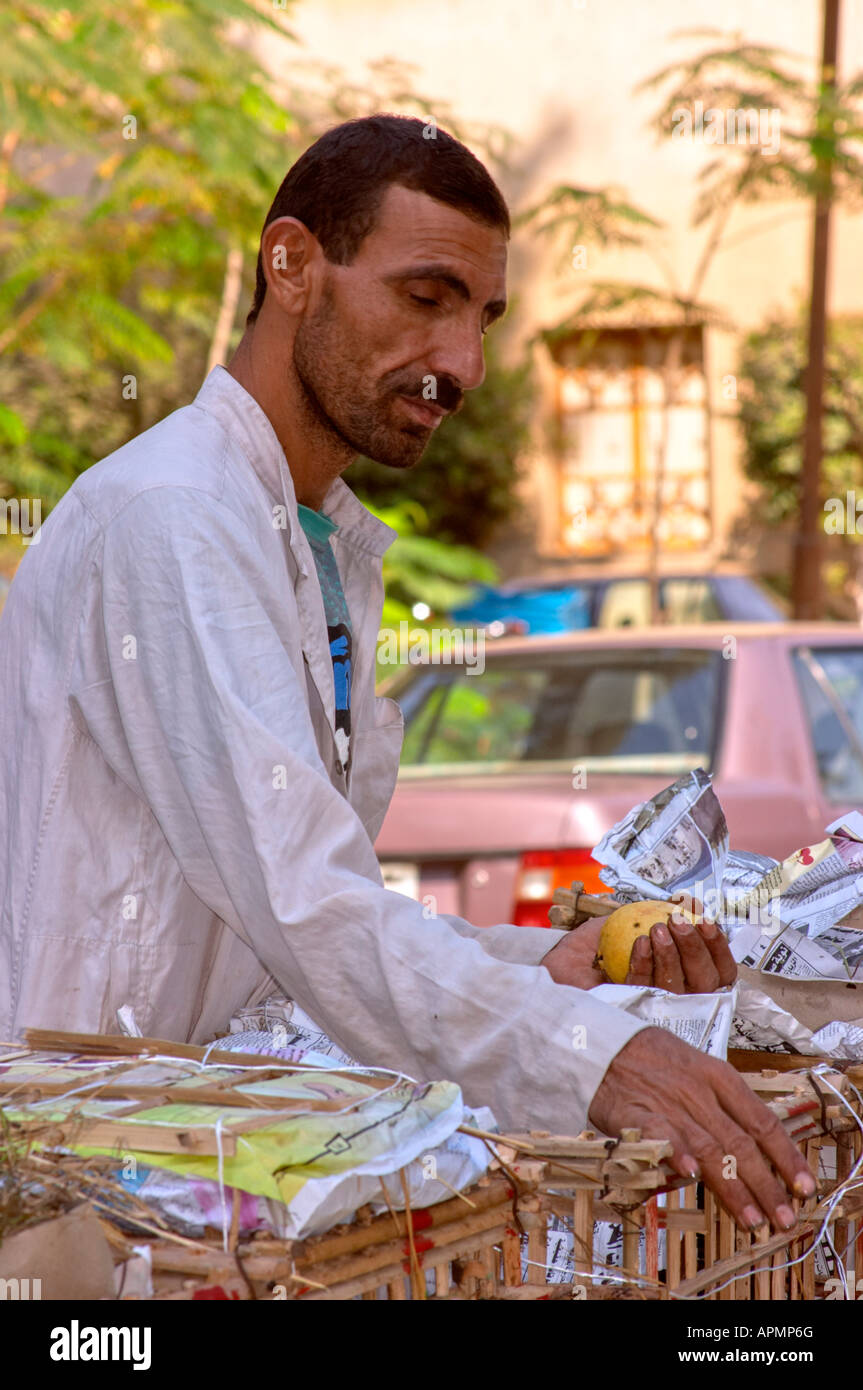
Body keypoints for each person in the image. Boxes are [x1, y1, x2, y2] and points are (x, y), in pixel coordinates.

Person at [0, 115, 813, 1232]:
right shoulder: (172, 515)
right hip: (74, 1198)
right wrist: (591, 1057)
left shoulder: (311, 540)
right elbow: (307, 905)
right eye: (424, 297)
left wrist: (545, 966)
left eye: (480, 318)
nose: (463, 365)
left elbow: (286, 945)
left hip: (194, 1168)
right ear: (291, 265)